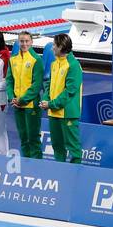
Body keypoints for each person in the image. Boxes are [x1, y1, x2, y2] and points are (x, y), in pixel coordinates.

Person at [41, 34, 82, 163]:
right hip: (53, 112)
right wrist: (45, 99)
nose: (52, 48)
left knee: (73, 149)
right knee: (57, 146)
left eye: (54, 45)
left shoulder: (73, 65)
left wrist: (51, 104)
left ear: (61, 47)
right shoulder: (54, 64)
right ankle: (60, 174)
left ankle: (76, 176)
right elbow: (49, 85)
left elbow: (69, 92)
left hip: (68, 113)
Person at [7, 30, 45, 159]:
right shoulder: (13, 59)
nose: (24, 44)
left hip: (30, 105)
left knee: (33, 138)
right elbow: (9, 80)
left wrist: (22, 100)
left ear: (32, 42)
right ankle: (26, 165)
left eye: (26, 41)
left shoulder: (36, 60)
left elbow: (37, 85)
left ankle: (37, 166)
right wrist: (12, 97)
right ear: (18, 42)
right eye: (21, 41)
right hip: (17, 105)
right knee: (23, 137)